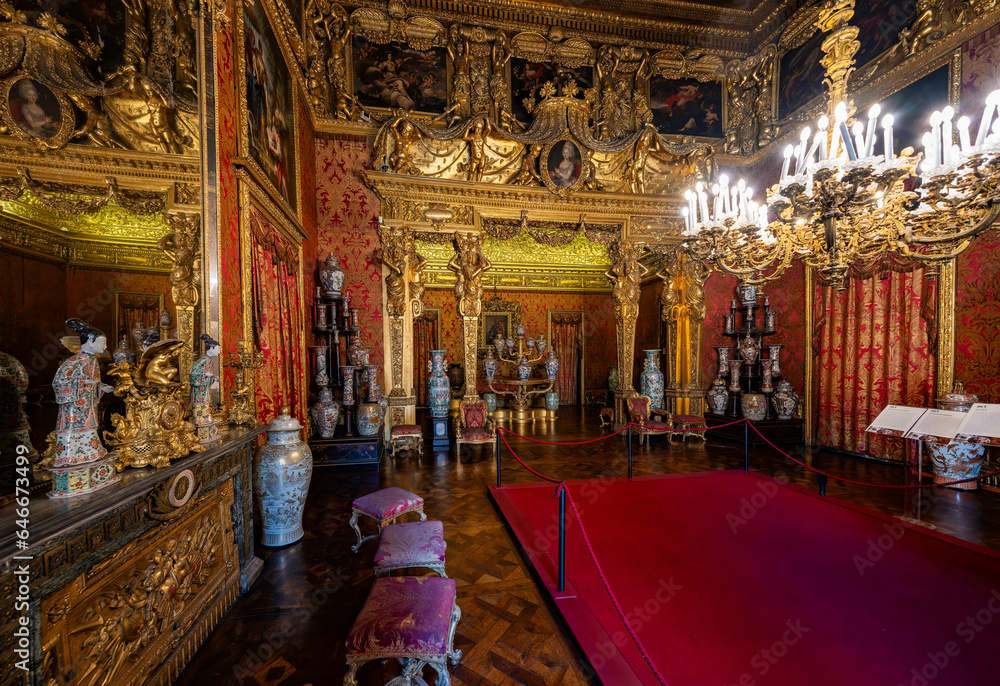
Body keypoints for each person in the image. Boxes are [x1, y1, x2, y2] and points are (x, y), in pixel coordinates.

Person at [51, 319, 113, 467]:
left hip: (88, 407)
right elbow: (58, 382)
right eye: (102, 343)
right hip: (74, 409)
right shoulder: (74, 361)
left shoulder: (93, 361)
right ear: (90, 342)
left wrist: (101, 387)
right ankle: (68, 458)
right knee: (73, 431)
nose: (105, 346)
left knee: (90, 430)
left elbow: (95, 382)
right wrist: (82, 383)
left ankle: (90, 454)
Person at [190, 334, 220, 428]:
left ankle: (206, 418)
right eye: (217, 349)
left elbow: (208, 376)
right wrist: (204, 375)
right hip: (199, 389)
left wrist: (213, 379)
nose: (219, 352)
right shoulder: (203, 360)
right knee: (199, 403)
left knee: (205, 403)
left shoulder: (210, 360)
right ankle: (198, 420)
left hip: (204, 388)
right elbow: (192, 373)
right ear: (211, 349)